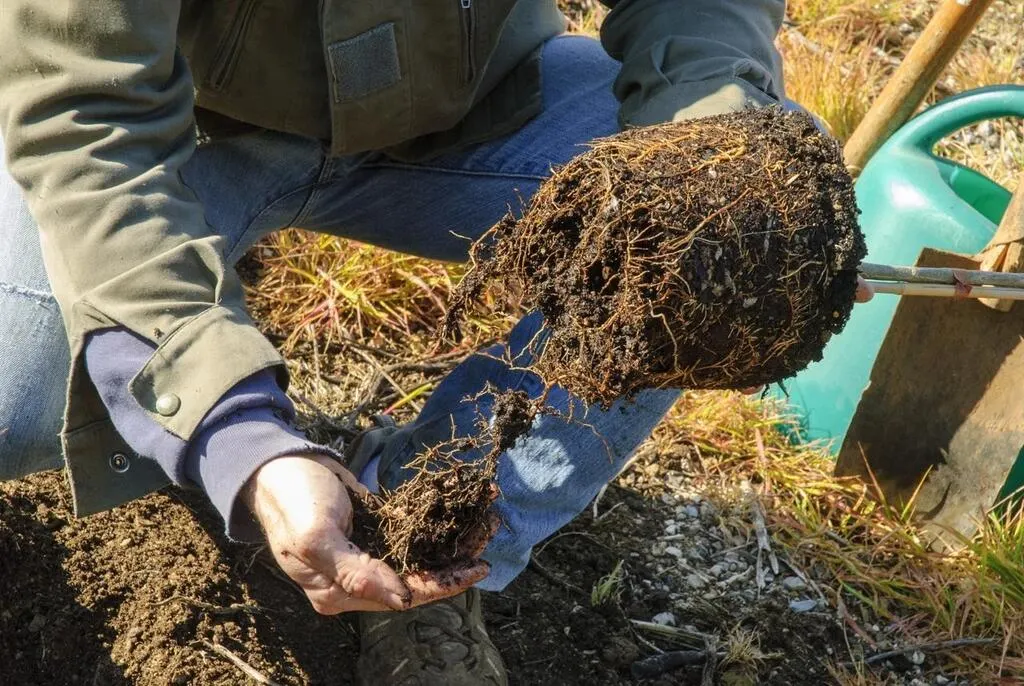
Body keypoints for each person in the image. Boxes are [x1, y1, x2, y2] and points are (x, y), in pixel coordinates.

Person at [0, 1, 872, 683]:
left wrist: (714, 180)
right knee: (17, 402)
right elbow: (89, 123)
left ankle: (430, 539)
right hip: (173, 135)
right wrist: (241, 436)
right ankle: (204, 399)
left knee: (735, 225)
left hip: (476, 114)